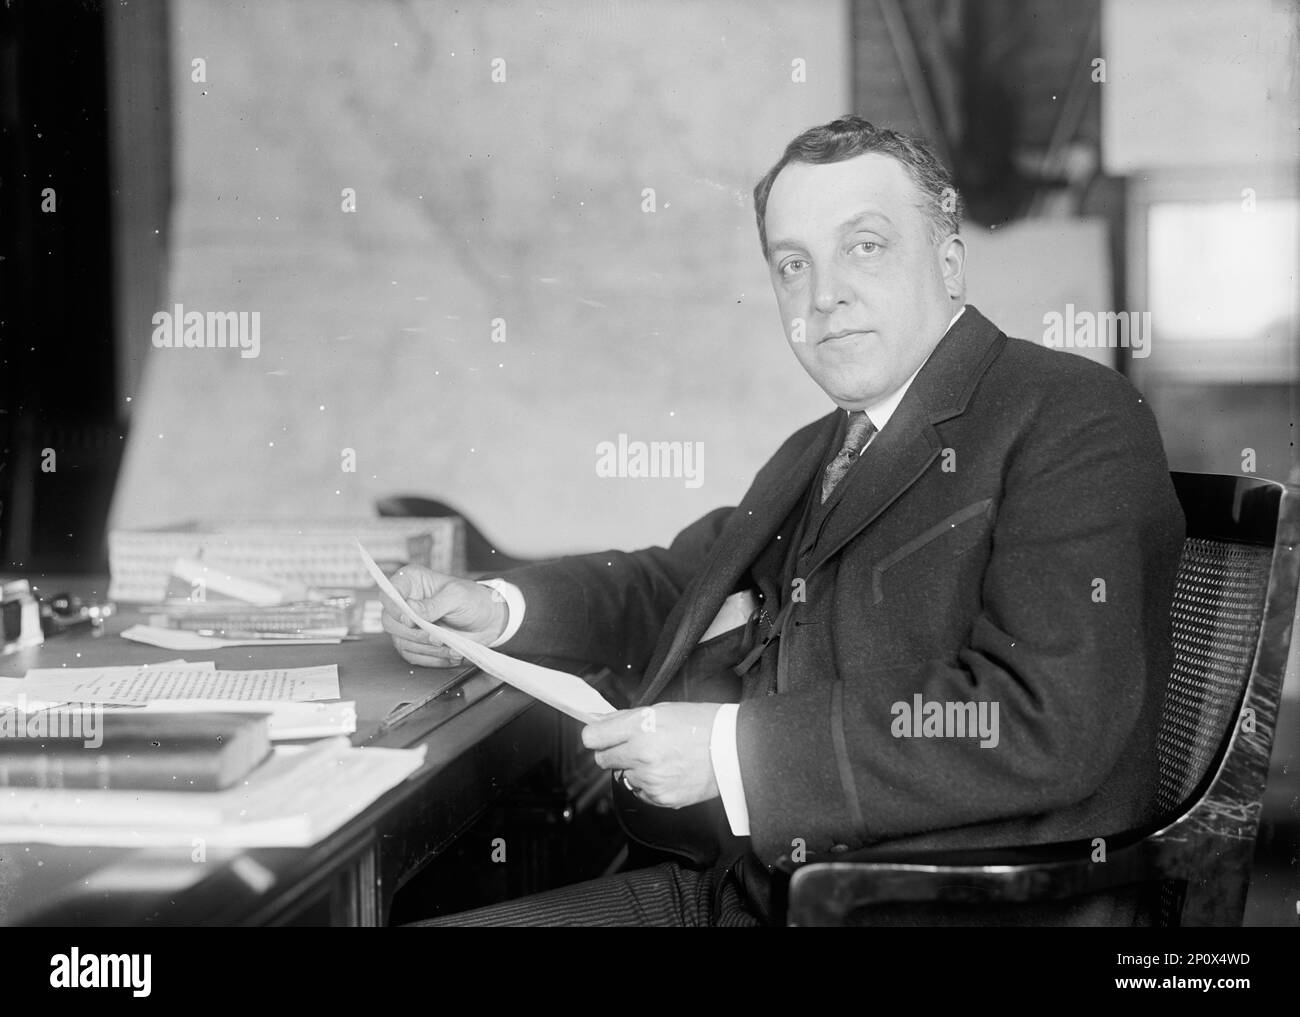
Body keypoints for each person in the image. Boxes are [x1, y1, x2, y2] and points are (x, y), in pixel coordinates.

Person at [383, 116, 1186, 926]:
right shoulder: (822, 447)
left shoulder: (1072, 414)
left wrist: (732, 753)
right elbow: (675, 584)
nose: (823, 294)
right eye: (791, 264)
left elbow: (1044, 717)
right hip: (761, 891)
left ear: (949, 264)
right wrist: (499, 606)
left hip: (930, 907)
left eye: (864, 246)